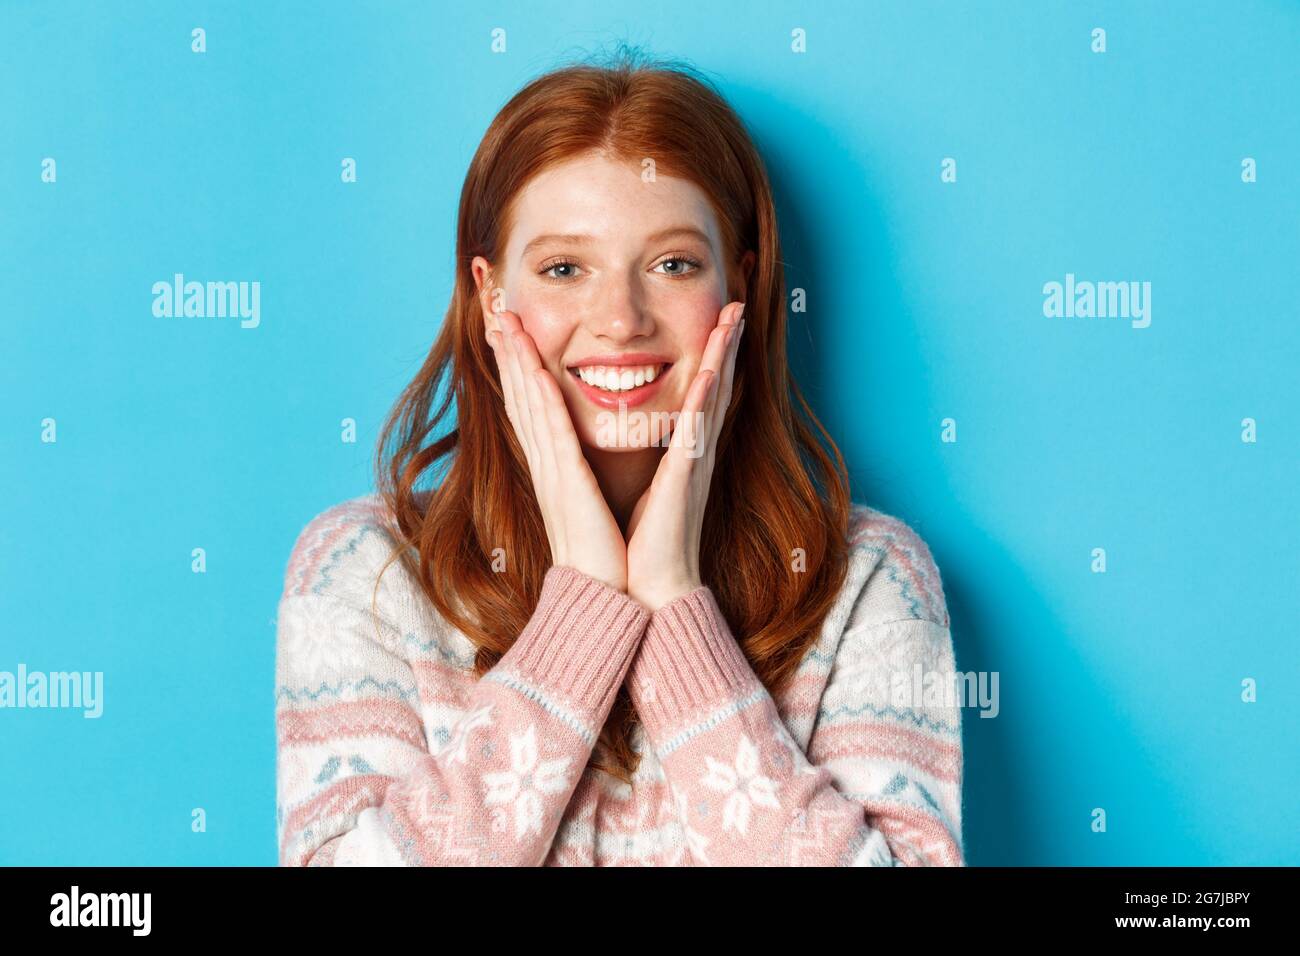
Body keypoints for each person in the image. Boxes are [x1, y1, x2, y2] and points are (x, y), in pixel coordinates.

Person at [275, 47, 964, 866]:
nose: (620, 319)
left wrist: (676, 608)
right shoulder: (362, 572)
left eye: (673, 264)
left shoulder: (868, 580)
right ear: (493, 297)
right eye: (564, 268)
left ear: (737, 290)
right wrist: (583, 611)